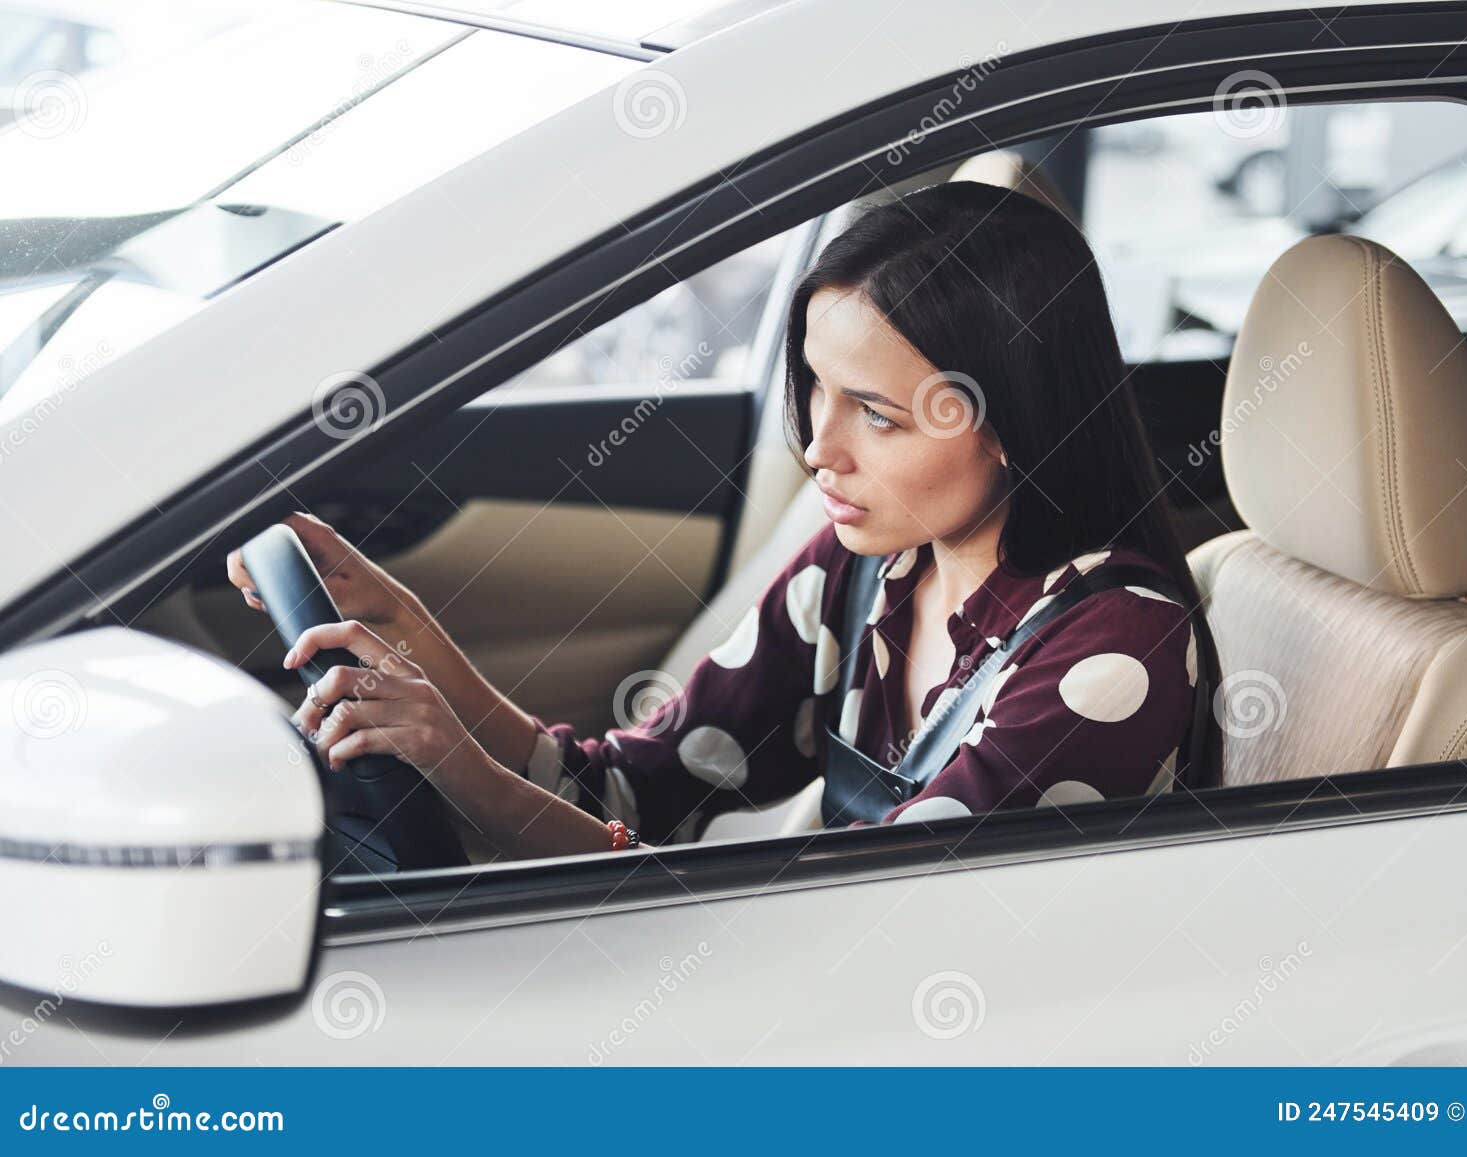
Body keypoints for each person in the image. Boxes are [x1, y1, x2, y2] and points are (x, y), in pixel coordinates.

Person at [226, 180, 1221, 860]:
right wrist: (411, 631)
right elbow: (630, 792)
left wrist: (461, 769)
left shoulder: (1113, 645)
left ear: (1011, 419)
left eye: (874, 413)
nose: (820, 447)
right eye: (816, 391)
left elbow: (856, 929)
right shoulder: (862, 567)